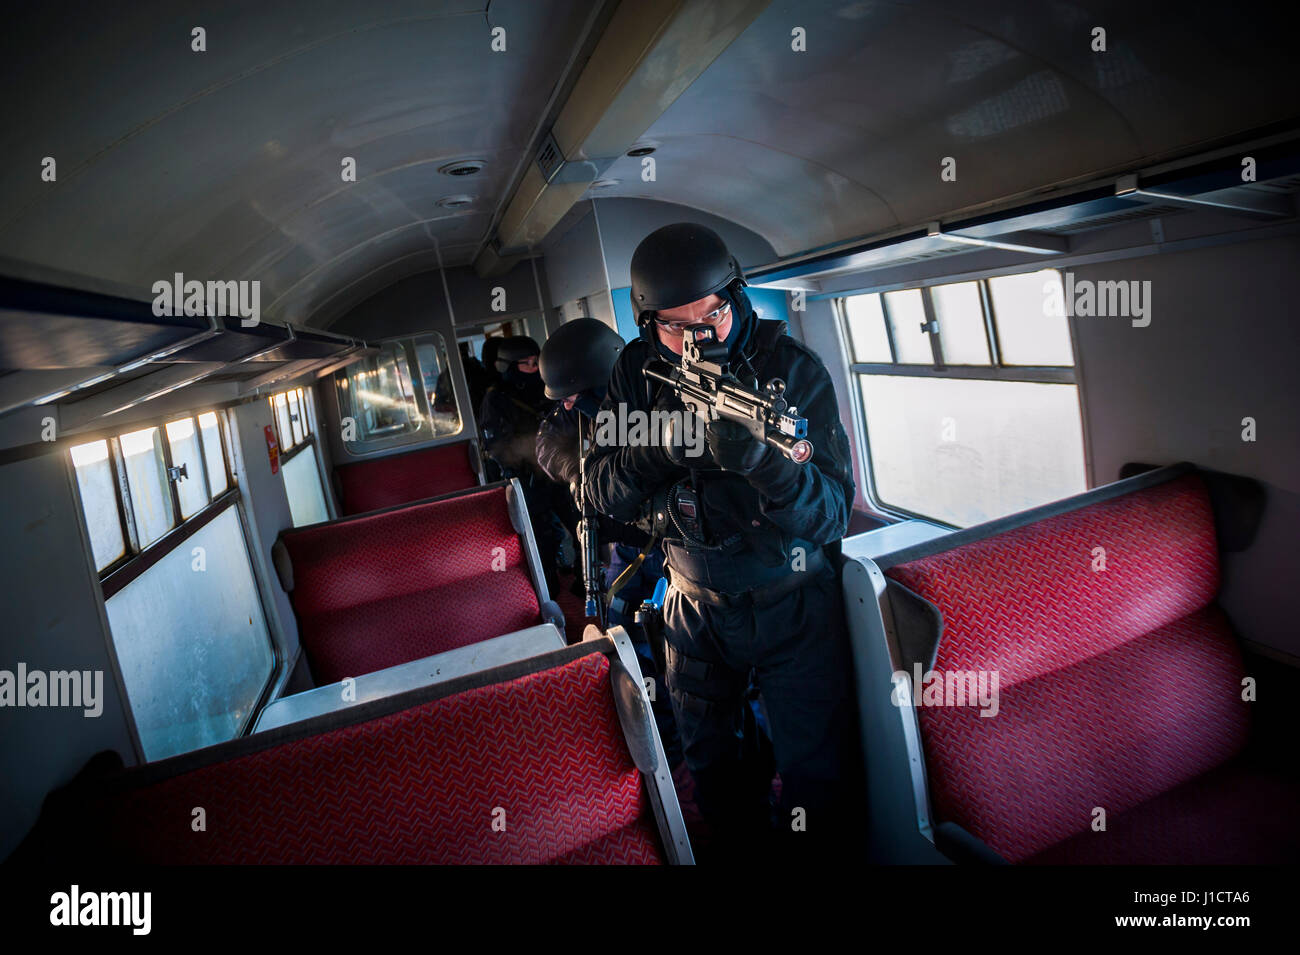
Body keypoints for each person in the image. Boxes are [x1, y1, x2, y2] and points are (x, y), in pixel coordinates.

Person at [583, 223, 861, 861]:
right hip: (693, 604)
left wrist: (769, 467)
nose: (695, 342)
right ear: (646, 322)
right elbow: (598, 491)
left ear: (736, 297)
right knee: (715, 775)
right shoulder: (635, 371)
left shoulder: (792, 369)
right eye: (675, 328)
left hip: (792, 602)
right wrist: (659, 448)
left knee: (819, 784)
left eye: (711, 319)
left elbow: (832, 516)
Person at [536, 318, 682, 766]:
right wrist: (580, 474)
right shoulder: (573, 411)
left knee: (677, 648)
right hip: (624, 551)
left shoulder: (652, 401)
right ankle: (649, 726)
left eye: (574, 393)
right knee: (619, 637)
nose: (568, 403)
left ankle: (677, 734)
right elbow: (546, 444)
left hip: (670, 549)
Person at [480, 335, 566, 593]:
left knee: (580, 525)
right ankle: (549, 593)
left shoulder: (549, 387)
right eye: (526, 364)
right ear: (509, 367)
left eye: (536, 362)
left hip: (559, 471)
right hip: (529, 479)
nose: (534, 369)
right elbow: (495, 446)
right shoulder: (495, 400)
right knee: (542, 540)